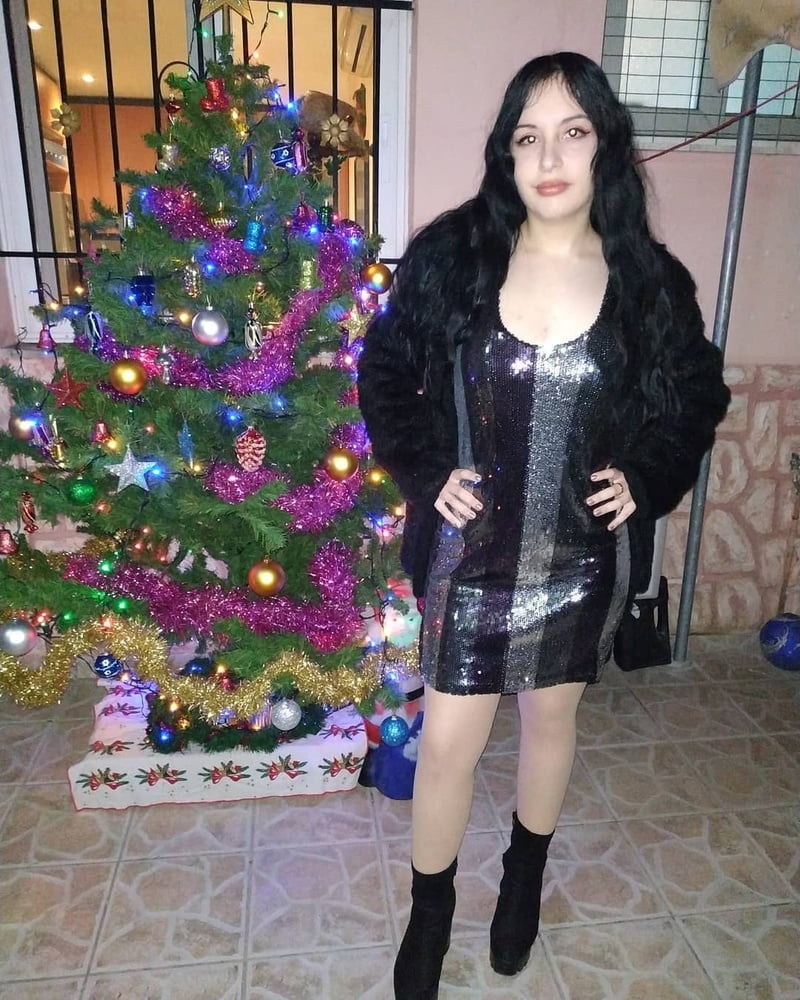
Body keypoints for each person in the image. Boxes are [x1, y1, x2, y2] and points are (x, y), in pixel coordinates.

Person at [357, 51, 730, 1000]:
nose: (550, 158)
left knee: (550, 717)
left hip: (579, 555)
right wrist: (425, 470)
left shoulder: (649, 280)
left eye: (572, 133)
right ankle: (430, 915)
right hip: (469, 557)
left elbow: (697, 392)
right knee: (448, 739)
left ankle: (523, 875)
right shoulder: (452, 259)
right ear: (507, 154)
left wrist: (646, 477)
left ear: (605, 146)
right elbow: (385, 369)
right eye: (529, 138)